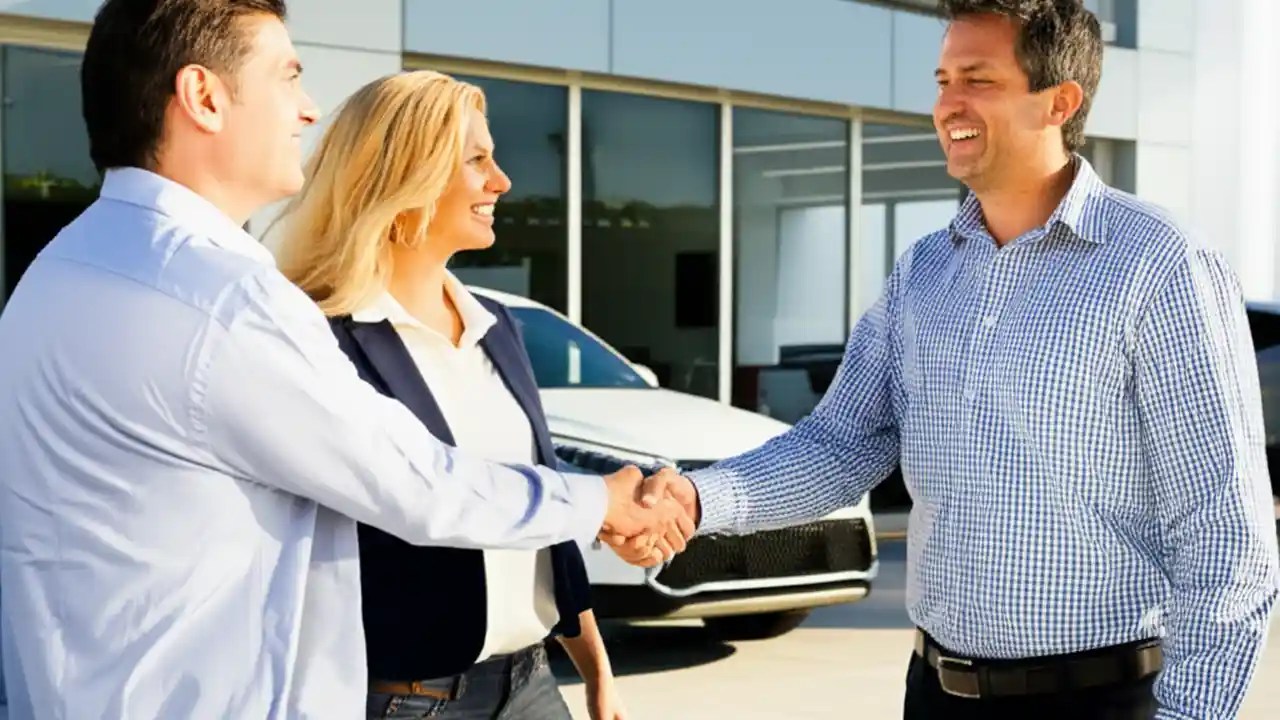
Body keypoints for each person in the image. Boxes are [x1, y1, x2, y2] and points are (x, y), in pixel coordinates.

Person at [0, 2, 683, 719]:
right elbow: (417, 485)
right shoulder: (222, 300)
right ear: (204, 97)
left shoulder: (54, 278)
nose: (307, 108)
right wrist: (601, 501)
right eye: (288, 77)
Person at [617, 1, 1280, 718]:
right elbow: (840, 444)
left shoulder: (1160, 264)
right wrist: (696, 498)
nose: (946, 105)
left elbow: (1224, 535)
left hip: (1101, 700)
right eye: (941, 81)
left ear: (1059, 101)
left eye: (977, 79)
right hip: (937, 695)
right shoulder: (924, 272)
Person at [272, 70, 650, 720]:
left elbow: (542, 495)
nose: (500, 182)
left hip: (531, 685)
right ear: (406, 177)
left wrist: (596, 666)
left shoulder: (495, 326)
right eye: (476, 160)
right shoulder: (322, 341)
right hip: (411, 703)